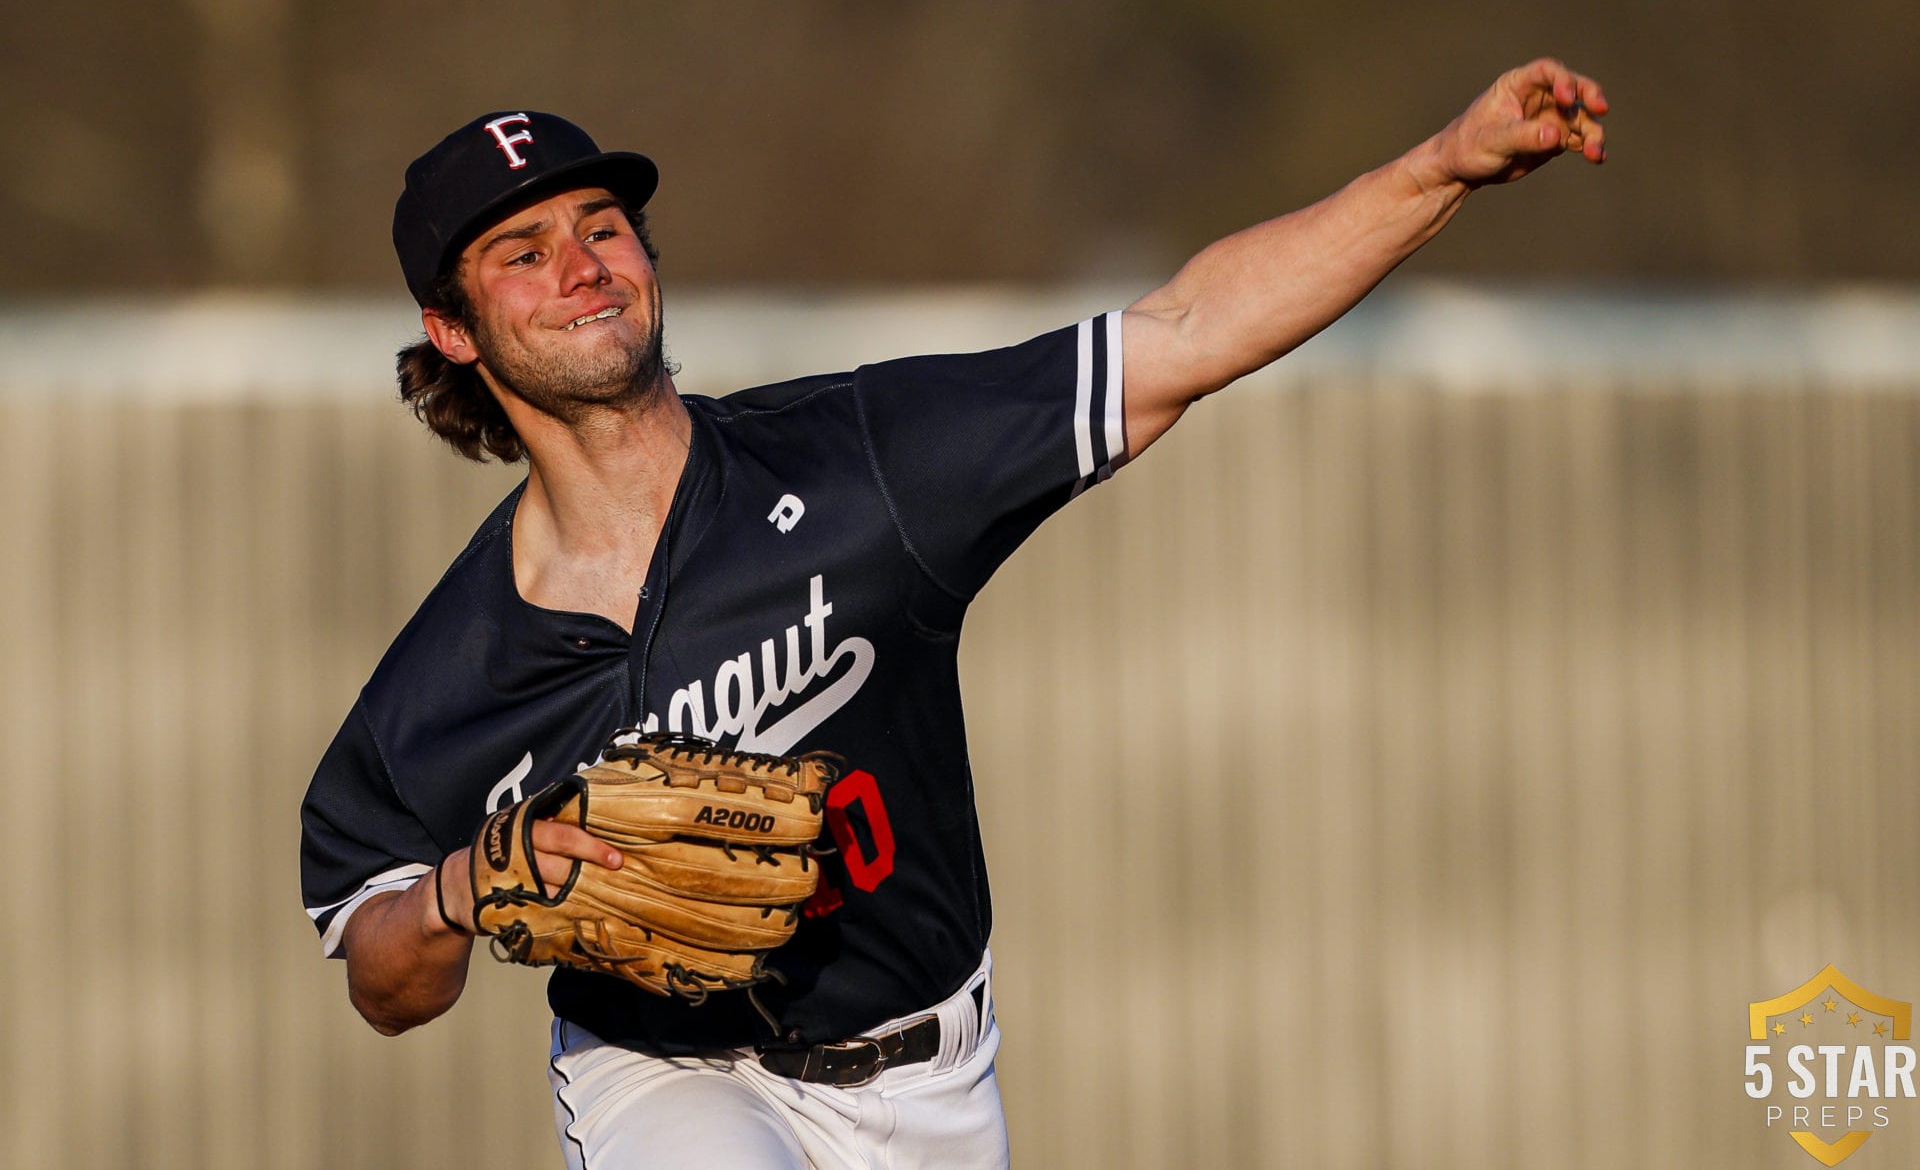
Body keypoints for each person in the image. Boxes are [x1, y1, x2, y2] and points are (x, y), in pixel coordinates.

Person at [299, 62, 1607, 1169]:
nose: (580, 267)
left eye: (601, 226)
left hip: (933, 1080)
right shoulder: (445, 678)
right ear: (454, 328)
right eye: (521, 254)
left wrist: (1444, 162)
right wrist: (462, 893)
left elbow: (1186, 331)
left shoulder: (863, 463)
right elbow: (385, 975)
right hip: (667, 1080)